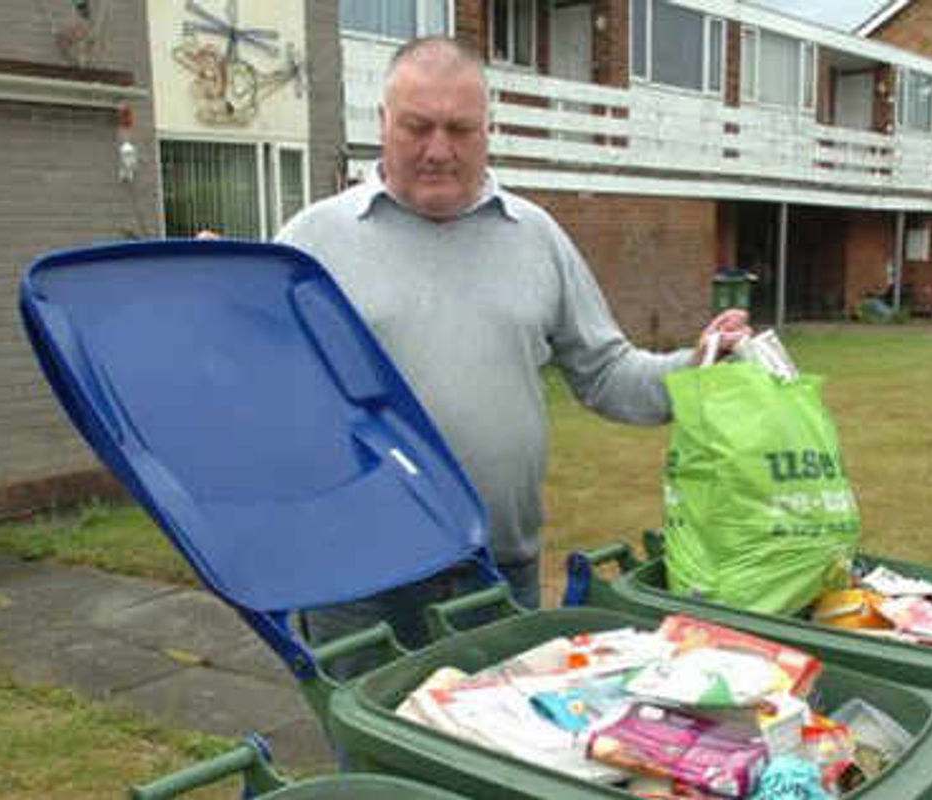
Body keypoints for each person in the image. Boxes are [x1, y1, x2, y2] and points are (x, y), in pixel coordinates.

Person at [273, 36, 749, 664]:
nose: (438, 149)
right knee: (370, 730)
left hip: (497, 575)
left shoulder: (535, 236)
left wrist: (698, 366)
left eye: (459, 129)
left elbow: (607, 372)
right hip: (356, 581)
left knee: (496, 730)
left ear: (487, 130)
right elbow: (252, 386)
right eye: (417, 127)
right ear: (382, 122)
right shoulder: (312, 241)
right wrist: (204, 303)